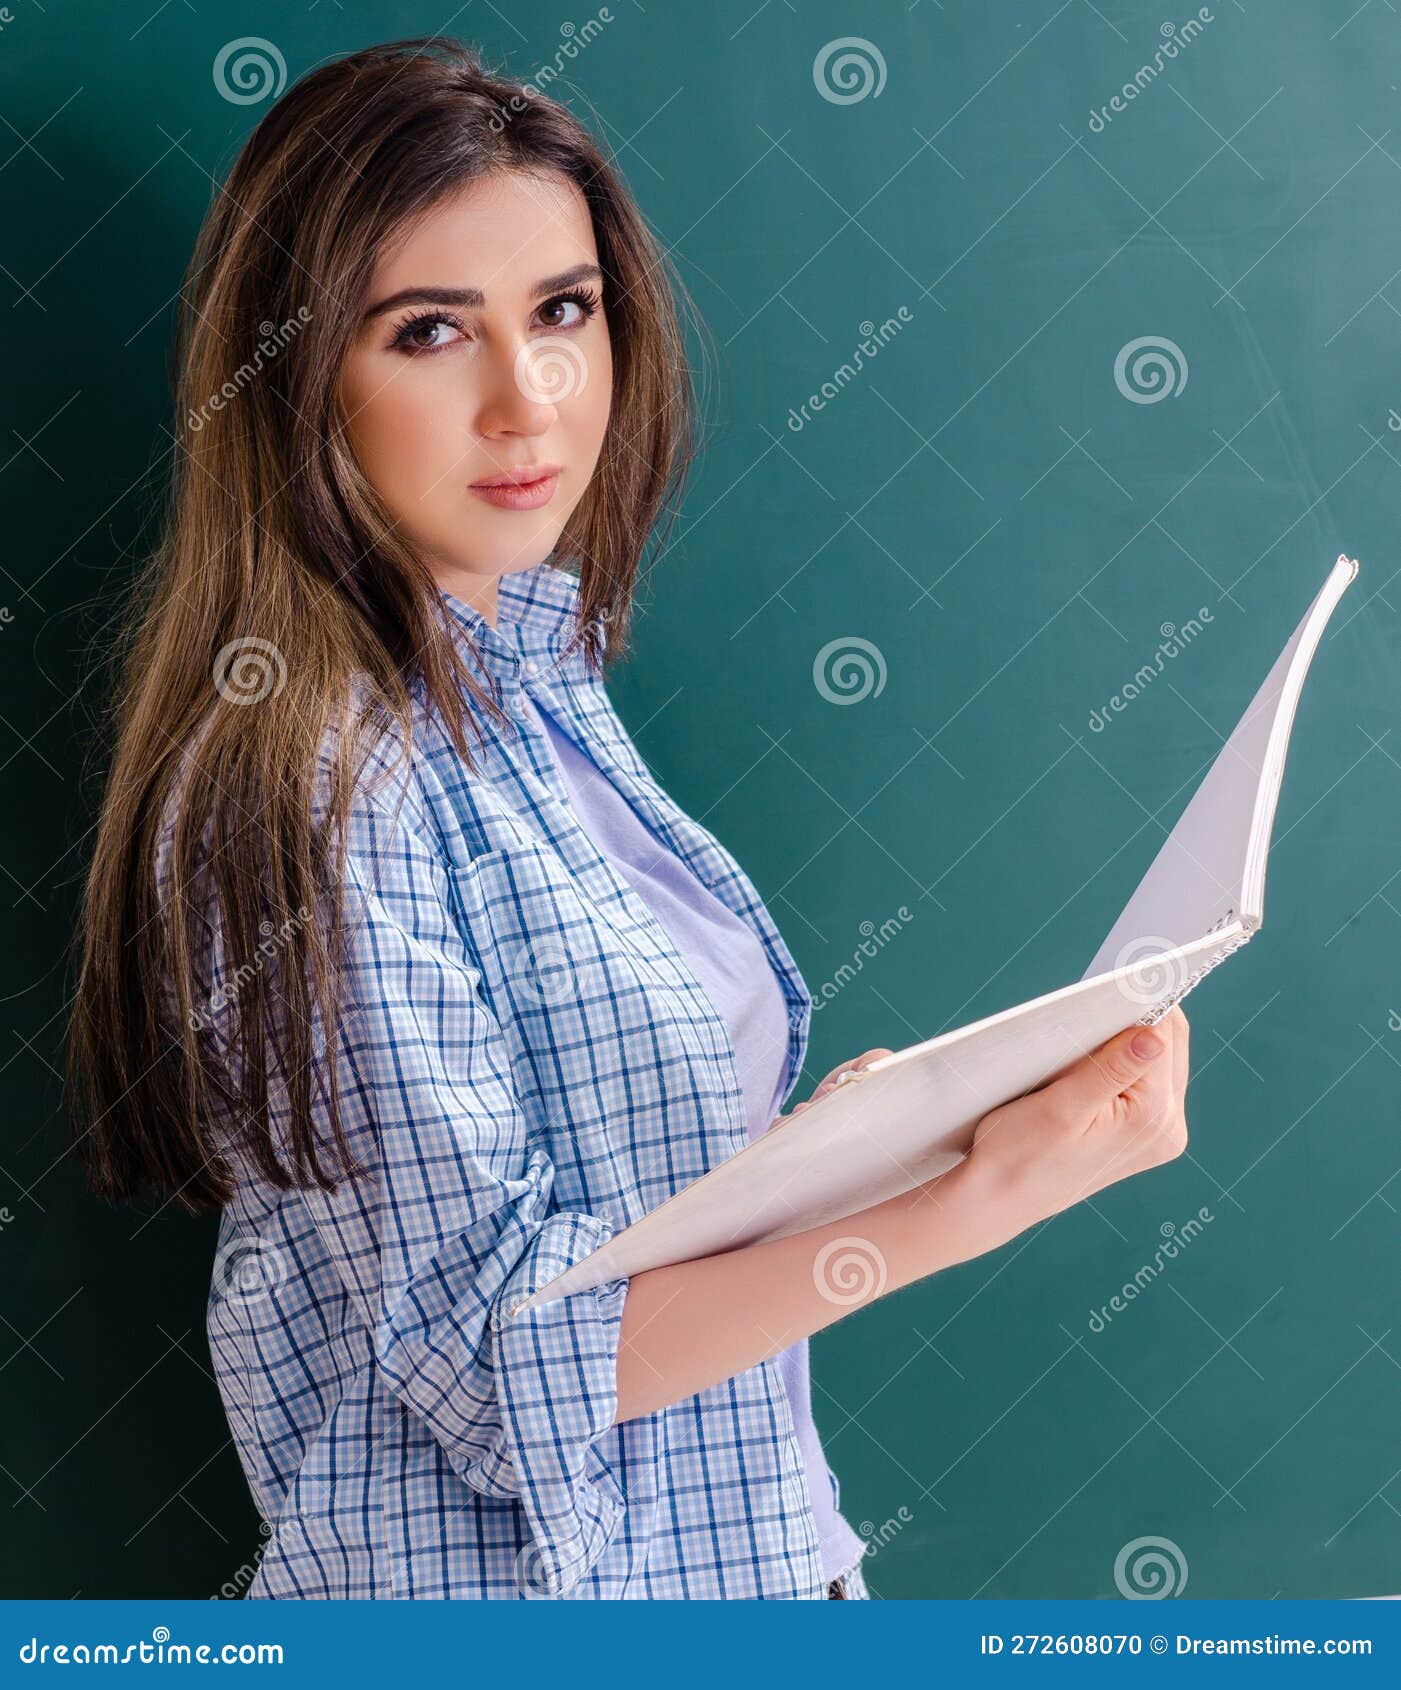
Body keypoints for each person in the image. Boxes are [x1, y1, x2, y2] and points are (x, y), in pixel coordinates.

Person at [67, 36, 1190, 1601]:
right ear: (295, 372)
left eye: (562, 311)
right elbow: (494, 1361)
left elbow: (612, 1215)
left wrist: (863, 1149)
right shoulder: (323, 782)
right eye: (429, 331)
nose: (526, 398)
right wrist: (966, 1199)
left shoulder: (533, 689)